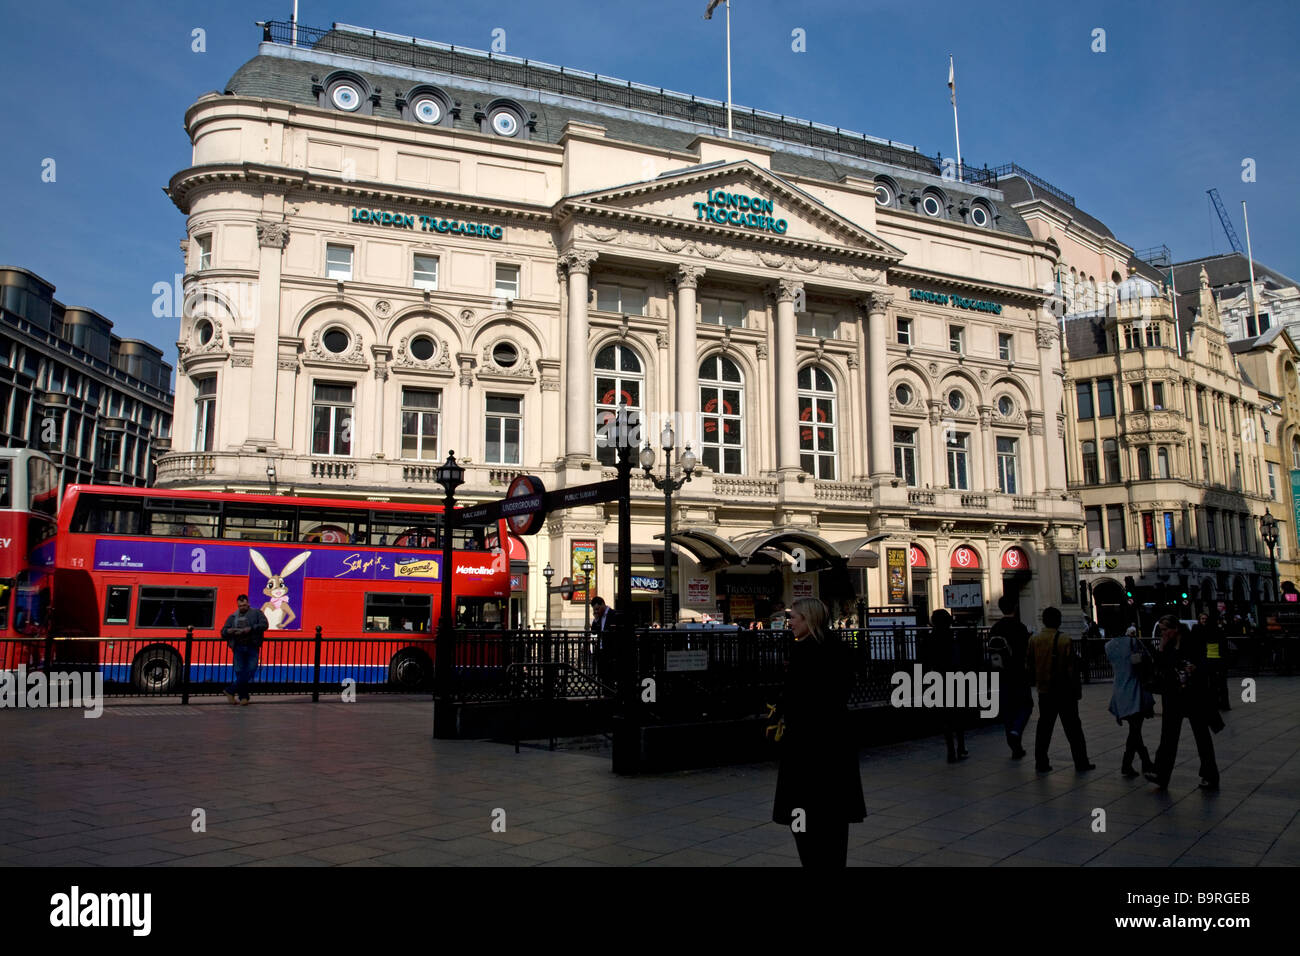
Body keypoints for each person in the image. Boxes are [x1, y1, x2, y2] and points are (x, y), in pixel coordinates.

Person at [771, 597, 866, 867]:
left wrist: (779, 709)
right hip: (836, 740)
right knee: (834, 817)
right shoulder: (840, 647)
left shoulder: (803, 652)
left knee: (804, 816)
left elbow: (794, 698)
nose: (789, 622)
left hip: (807, 744)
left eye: (794, 617)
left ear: (809, 620)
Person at [1147, 616, 1221, 791]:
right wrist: (1162, 648)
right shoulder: (1169, 646)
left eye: (1165, 630)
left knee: (1201, 736)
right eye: (1162, 631)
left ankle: (1210, 775)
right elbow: (1161, 668)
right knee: (1168, 737)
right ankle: (1160, 774)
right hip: (1173, 696)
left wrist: (1197, 668)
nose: (1163, 634)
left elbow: (1209, 662)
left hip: (1194, 695)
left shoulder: (1193, 642)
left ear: (1176, 629)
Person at [1025, 607, 1095, 772]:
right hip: (1064, 692)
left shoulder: (1034, 640)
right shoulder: (1064, 639)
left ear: (1043, 620)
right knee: (1073, 729)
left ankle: (1041, 762)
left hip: (1044, 690)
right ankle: (1081, 761)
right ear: (1059, 621)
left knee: (1044, 728)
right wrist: (1076, 690)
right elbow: (1071, 668)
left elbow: (1029, 664)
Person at [1105, 625, 1155, 778]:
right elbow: (1146, 660)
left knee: (1134, 729)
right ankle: (1135, 763)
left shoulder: (1108, 646)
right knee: (1135, 729)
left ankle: (1138, 763)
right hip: (1135, 688)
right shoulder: (1133, 643)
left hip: (1120, 690)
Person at [988, 594, 1033, 759]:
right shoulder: (1020, 627)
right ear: (1015, 607)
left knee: (1008, 710)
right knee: (1026, 705)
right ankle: (1017, 730)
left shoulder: (995, 628)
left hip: (1001, 673)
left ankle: (1015, 746)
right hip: (1018, 672)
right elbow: (1026, 651)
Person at [923, 609, 967, 763]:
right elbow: (959, 658)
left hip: (938, 679)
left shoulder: (930, 638)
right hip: (954, 678)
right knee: (958, 715)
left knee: (945, 718)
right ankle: (961, 747)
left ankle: (951, 751)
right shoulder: (952, 636)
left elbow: (927, 661)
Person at [222, 594, 269, 705]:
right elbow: (223, 631)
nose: (242, 607)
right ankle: (244, 698)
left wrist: (251, 628)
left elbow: (265, 625)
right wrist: (229, 631)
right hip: (238, 647)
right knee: (240, 672)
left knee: (251, 669)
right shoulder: (233, 616)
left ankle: (230, 690)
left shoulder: (257, 613)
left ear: (248, 603)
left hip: (252, 646)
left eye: (244, 605)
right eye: (240, 606)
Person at [1193, 612, 1230, 711]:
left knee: (1213, 683)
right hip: (1219, 659)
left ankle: (1215, 703)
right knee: (1222, 683)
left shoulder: (1203, 630)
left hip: (1209, 659)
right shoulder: (1219, 631)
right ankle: (1224, 704)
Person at [590, 596, 615, 678]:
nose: (596, 611)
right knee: (602, 676)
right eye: (594, 610)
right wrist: (596, 619)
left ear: (603, 605)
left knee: (609, 676)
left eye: (597, 609)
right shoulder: (599, 616)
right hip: (601, 649)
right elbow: (593, 631)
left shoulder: (612, 614)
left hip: (610, 650)